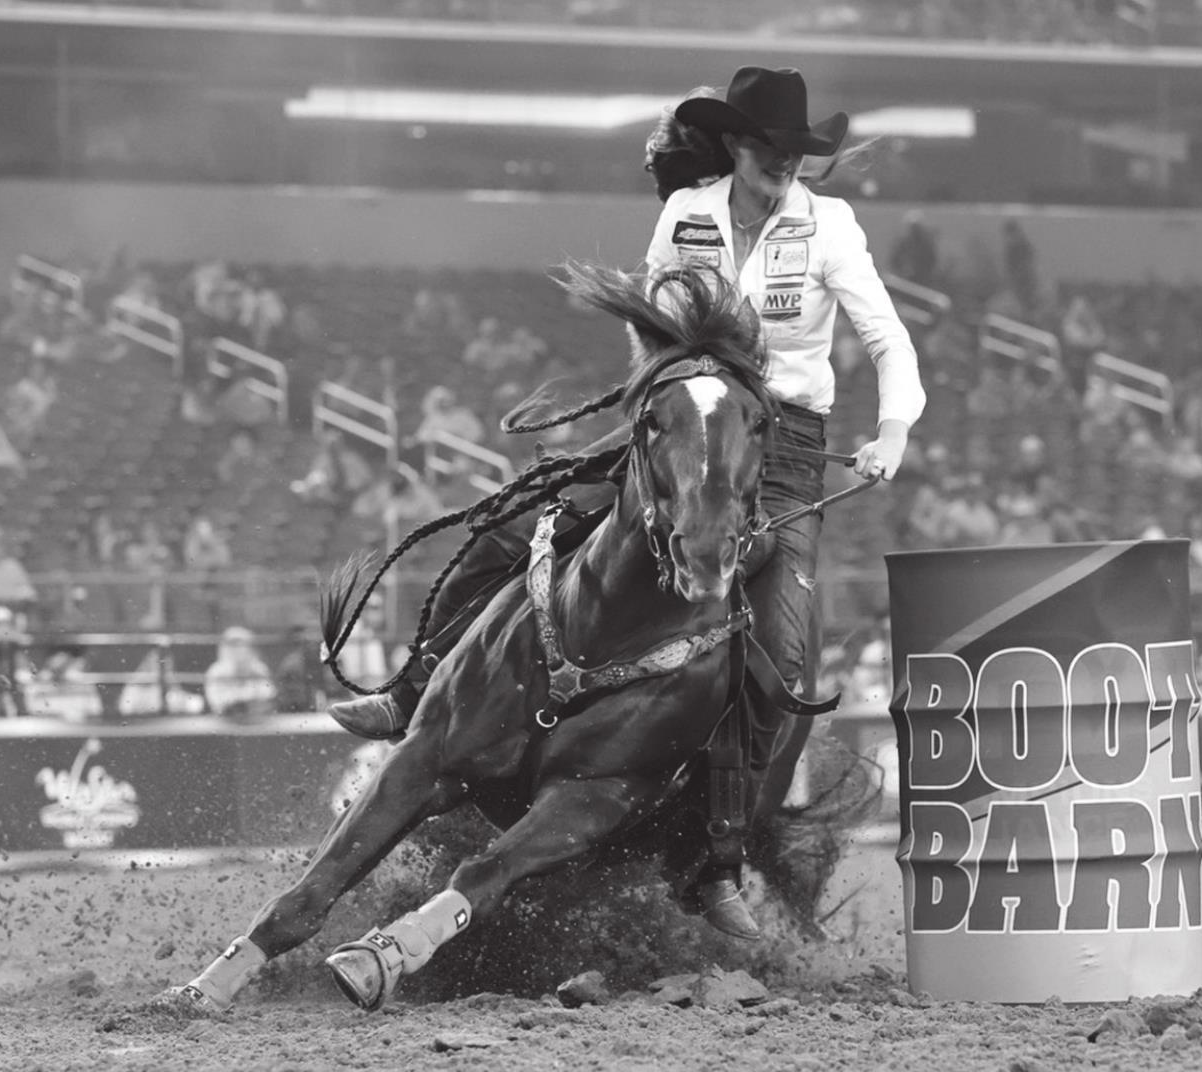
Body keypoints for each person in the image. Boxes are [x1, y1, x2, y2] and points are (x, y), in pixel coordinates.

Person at [327, 66, 925, 940]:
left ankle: (718, 861)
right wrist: (664, 398)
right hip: (680, 428)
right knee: (512, 522)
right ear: (735, 148)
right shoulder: (686, 215)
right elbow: (647, 317)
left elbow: (885, 336)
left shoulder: (829, 225)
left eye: (794, 154)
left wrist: (895, 430)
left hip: (782, 447)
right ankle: (415, 692)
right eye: (768, 151)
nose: (782, 167)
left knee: (781, 659)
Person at [204, 627, 277, 719]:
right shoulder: (216, 671)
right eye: (232, 645)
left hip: (256, 723)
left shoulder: (259, 668)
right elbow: (218, 704)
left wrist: (241, 699)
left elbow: (268, 695)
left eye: (242, 645)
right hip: (226, 725)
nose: (238, 650)